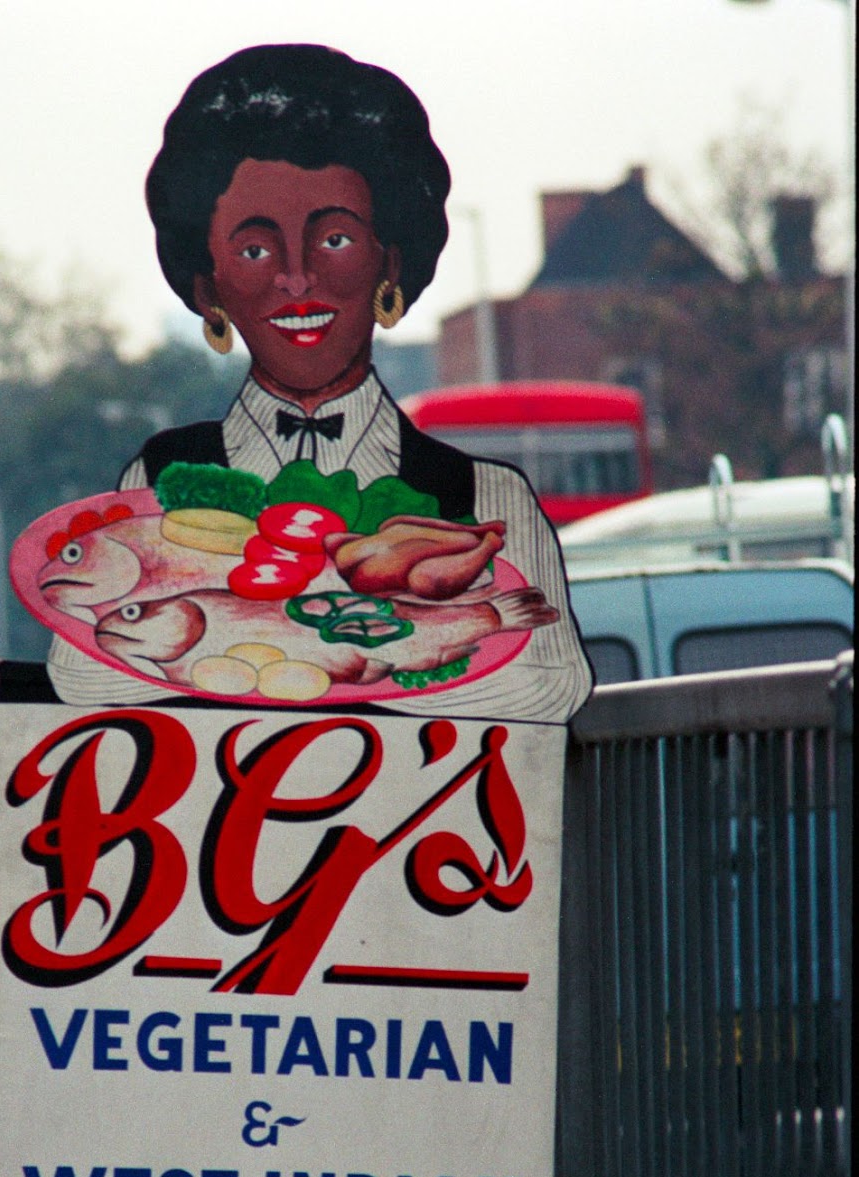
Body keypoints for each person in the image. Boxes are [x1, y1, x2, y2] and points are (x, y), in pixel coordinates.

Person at [47, 43, 591, 723]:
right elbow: (84, 679)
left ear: (390, 263)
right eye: (254, 249)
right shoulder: (158, 480)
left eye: (333, 239)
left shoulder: (487, 498)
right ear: (207, 288)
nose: (298, 278)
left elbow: (550, 686)